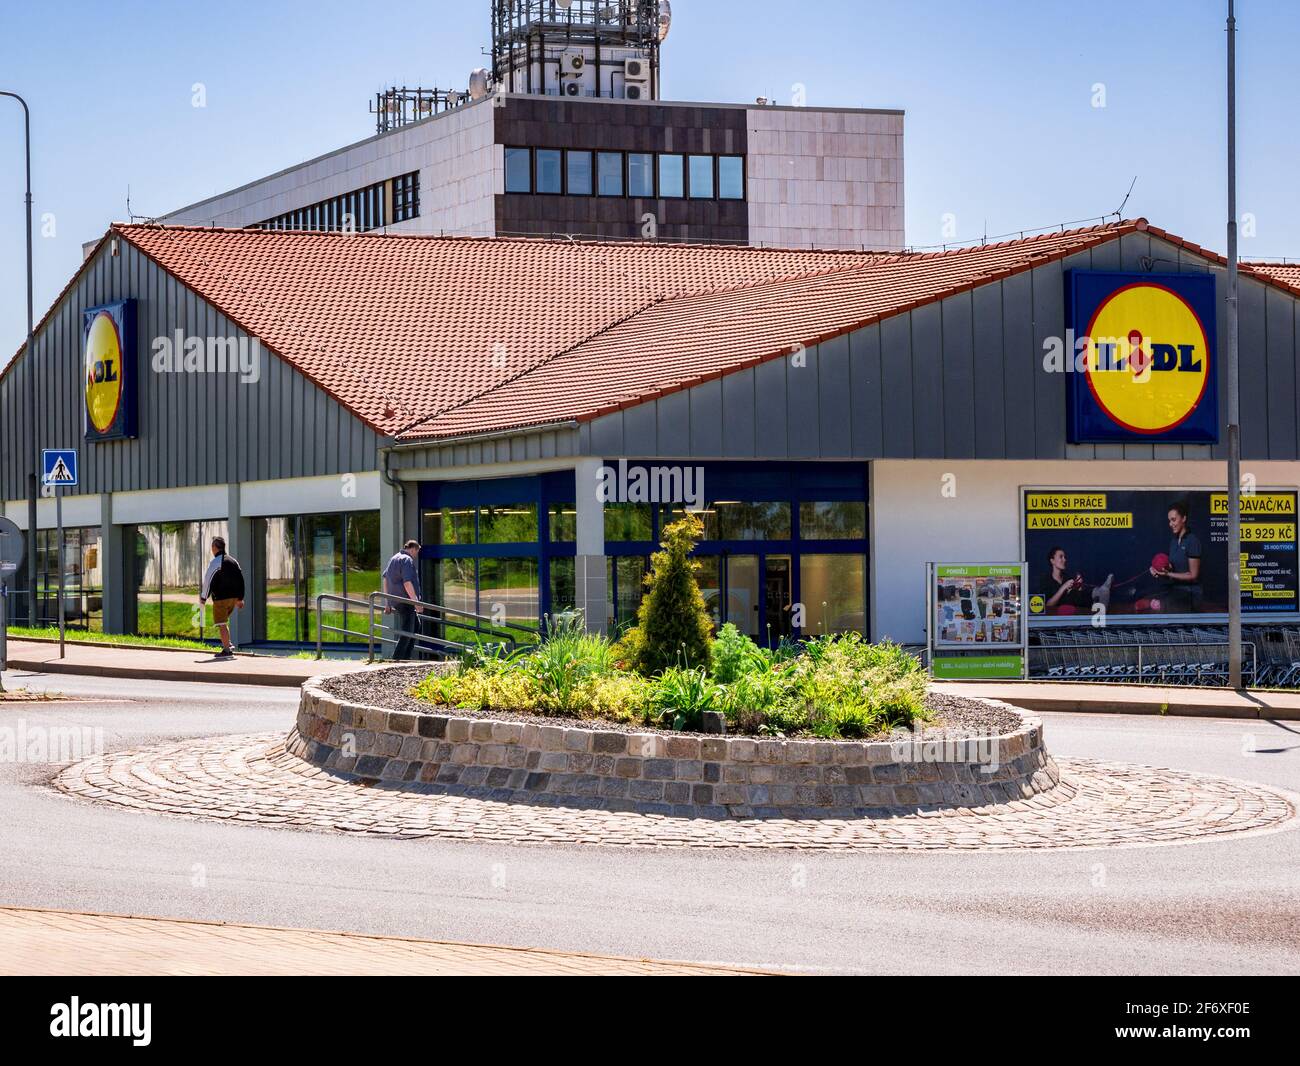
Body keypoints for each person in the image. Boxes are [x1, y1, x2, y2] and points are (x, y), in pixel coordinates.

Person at [1151, 500, 1203, 612]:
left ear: (1184, 518)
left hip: (1190, 593)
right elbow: (1172, 571)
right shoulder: (1173, 542)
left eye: (1173, 520)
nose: (1170, 524)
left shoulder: (1192, 541)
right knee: (1148, 597)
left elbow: (1193, 575)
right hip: (1175, 589)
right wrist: (1159, 572)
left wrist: (1168, 573)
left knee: (1159, 605)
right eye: (1169, 521)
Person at [199, 536, 245, 659]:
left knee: (222, 624)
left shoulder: (215, 562)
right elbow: (241, 580)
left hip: (221, 599)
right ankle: (228, 644)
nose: (211, 549)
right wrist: (240, 598)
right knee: (223, 622)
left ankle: (227, 650)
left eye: (212, 547)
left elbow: (207, 581)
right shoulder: (233, 561)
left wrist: (203, 597)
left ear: (215, 548)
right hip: (233, 599)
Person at [382, 539, 425, 660]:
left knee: (416, 625)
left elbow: (385, 579)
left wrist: (388, 602)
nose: (416, 555)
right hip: (405, 601)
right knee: (407, 631)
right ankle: (397, 658)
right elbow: (407, 583)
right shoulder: (407, 560)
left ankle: (405, 656)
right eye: (417, 552)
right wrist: (416, 602)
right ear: (412, 549)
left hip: (396, 600)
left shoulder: (394, 558)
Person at [1039, 547, 1113, 615]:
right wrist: (1064, 587)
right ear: (1052, 561)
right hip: (1058, 613)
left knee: (1076, 593)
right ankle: (1099, 593)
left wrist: (1079, 585)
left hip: (1074, 607)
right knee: (1071, 596)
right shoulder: (1046, 580)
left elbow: (1078, 596)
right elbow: (1048, 605)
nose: (1064, 560)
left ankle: (1100, 592)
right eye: (1061, 557)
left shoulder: (1067, 577)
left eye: (1065, 557)